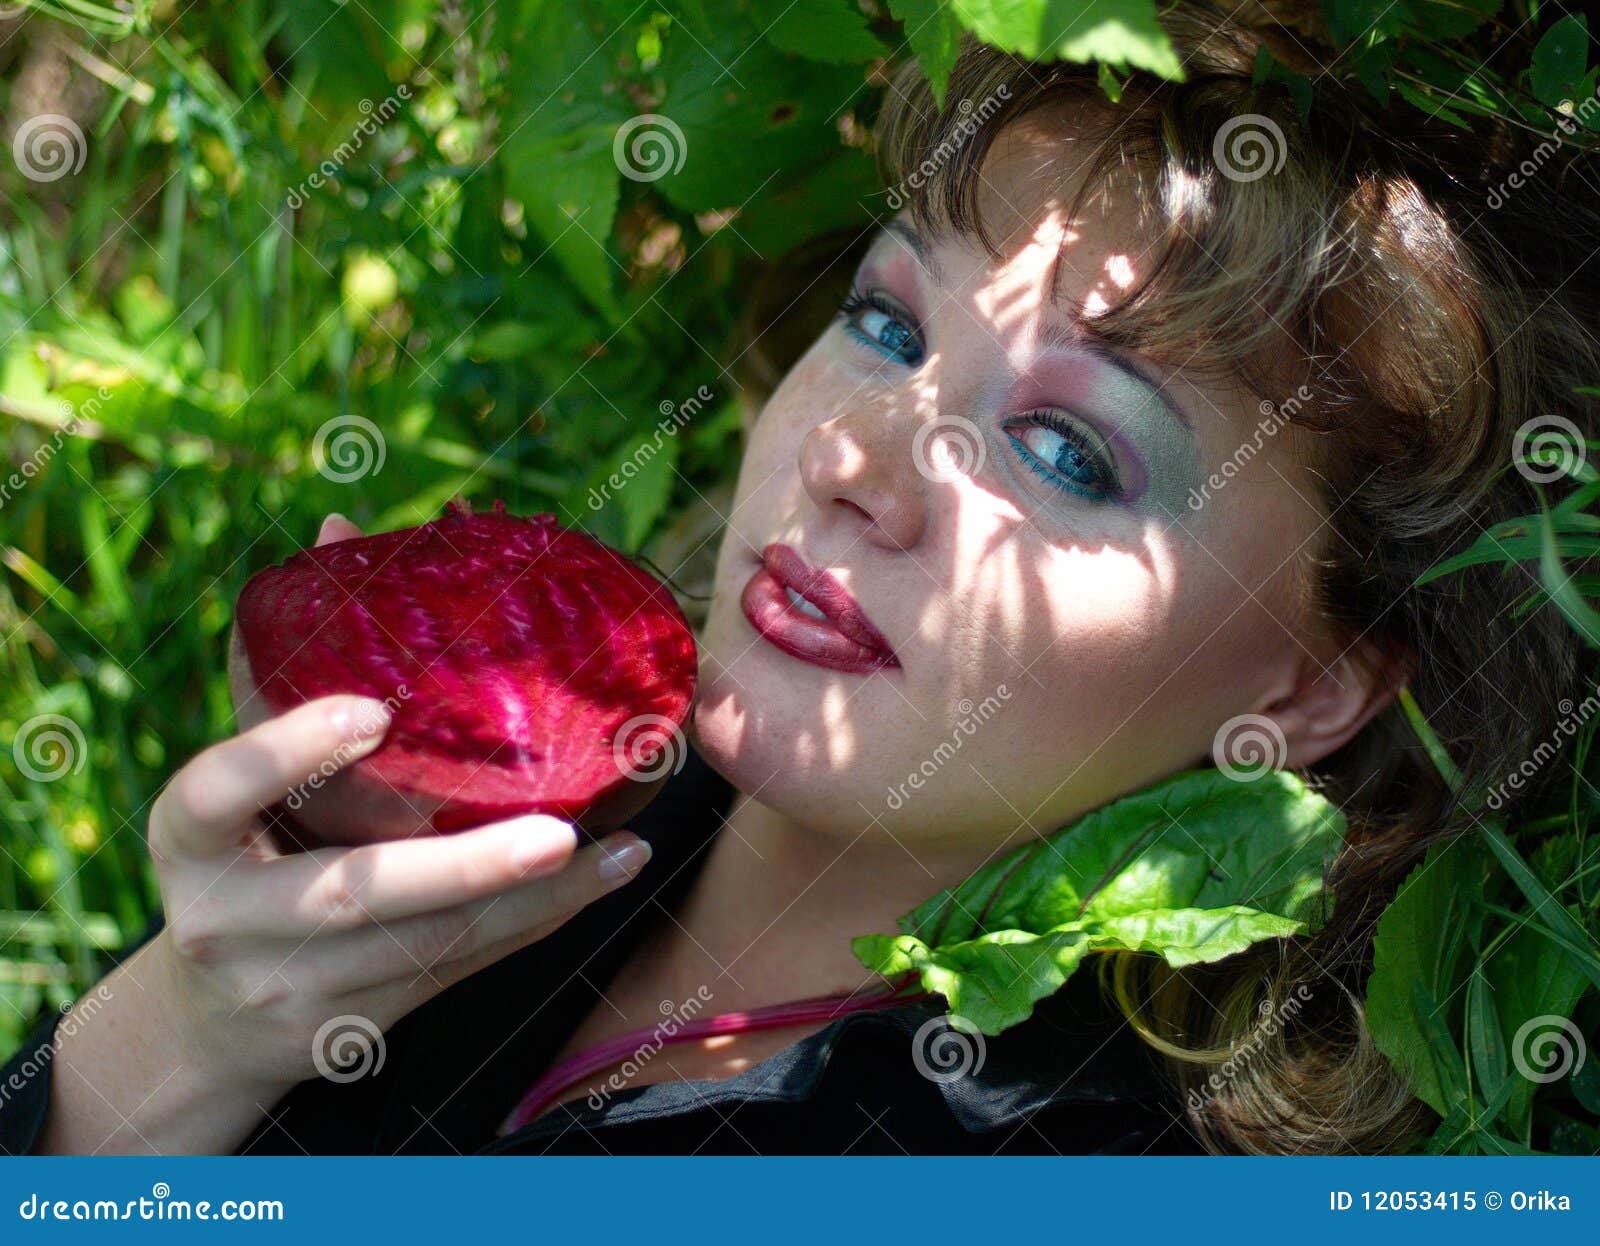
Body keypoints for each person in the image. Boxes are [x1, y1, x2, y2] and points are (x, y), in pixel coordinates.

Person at [5, 2, 1597, 1155]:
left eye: (1068, 453)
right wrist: (196, 1027)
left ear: (1309, 680)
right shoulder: (541, 816)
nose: (855, 456)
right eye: (891, 325)